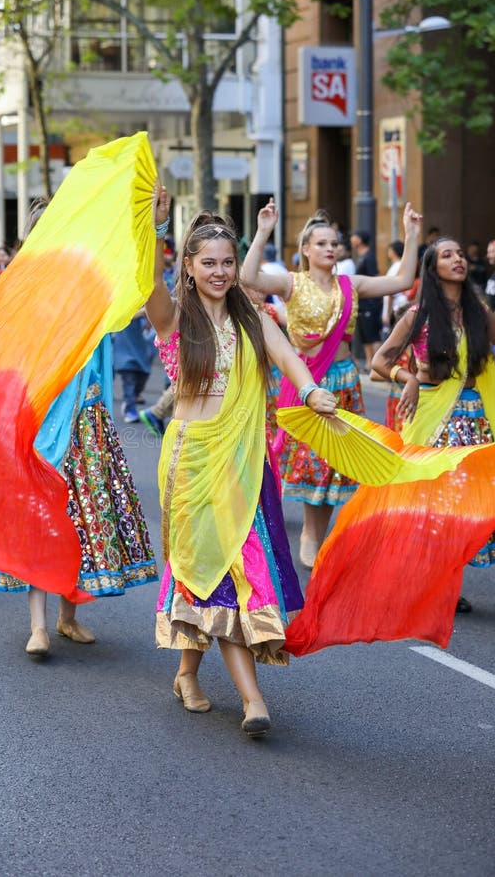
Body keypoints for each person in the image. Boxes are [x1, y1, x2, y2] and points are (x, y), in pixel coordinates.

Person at [146, 188, 337, 738]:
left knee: (233, 568)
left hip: (243, 461)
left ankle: (204, 680)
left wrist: (312, 392)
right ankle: (249, 698)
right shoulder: (173, 318)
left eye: (229, 262)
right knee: (207, 566)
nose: (221, 271)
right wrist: (158, 227)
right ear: (188, 265)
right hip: (191, 462)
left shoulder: (252, 316)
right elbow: (145, 281)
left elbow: (289, 360)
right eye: (209, 262)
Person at [0, 199, 158, 655]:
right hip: (41, 416)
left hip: (87, 417)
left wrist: (152, 223)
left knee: (82, 516)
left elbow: (140, 287)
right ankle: (38, 626)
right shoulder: (22, 285)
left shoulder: (94, 283)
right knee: (40, 515)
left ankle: (67, 618)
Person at [241, 198, 422, 569]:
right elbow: (248, 279)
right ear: (305, 250)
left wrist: (412, 233)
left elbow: (402, 280)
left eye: (333, 243)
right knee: (314, 460)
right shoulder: (292, 284)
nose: (329, 248)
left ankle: (331, 537)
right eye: (321, 243)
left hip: (344, 383)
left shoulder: (350, 284)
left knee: (341, 462)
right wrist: (262, 231)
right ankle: (310, 533)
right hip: (307, 384)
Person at [372, 235, 495, 613]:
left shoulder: (481, 314)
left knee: (468, 504)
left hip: (476, 420)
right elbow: (379, 361)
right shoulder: (417, 316)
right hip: (432, 422)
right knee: (435, 503)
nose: (458, 259)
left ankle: (447, 580)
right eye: (447, 255)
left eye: (460, 253)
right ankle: (433, 583)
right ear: (432, 267)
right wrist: (407, 377)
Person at [113, 312, 154, 423]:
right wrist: (144, 311)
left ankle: (130, 400)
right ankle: (130, 408)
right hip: (125, 345)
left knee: (142, 377)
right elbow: (124, 313)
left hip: (142, 347)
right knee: (129, 380)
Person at [350, 228, 381, 372]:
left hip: (370, 304)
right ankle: (369, 363)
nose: (351, 239)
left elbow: (374, 278)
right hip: (361, 304)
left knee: (372, 335)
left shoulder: (369, 257)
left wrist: (375, 302)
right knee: (364, 335)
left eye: (354, 236)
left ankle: (378, 365)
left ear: (360, 239)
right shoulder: (361, 256)